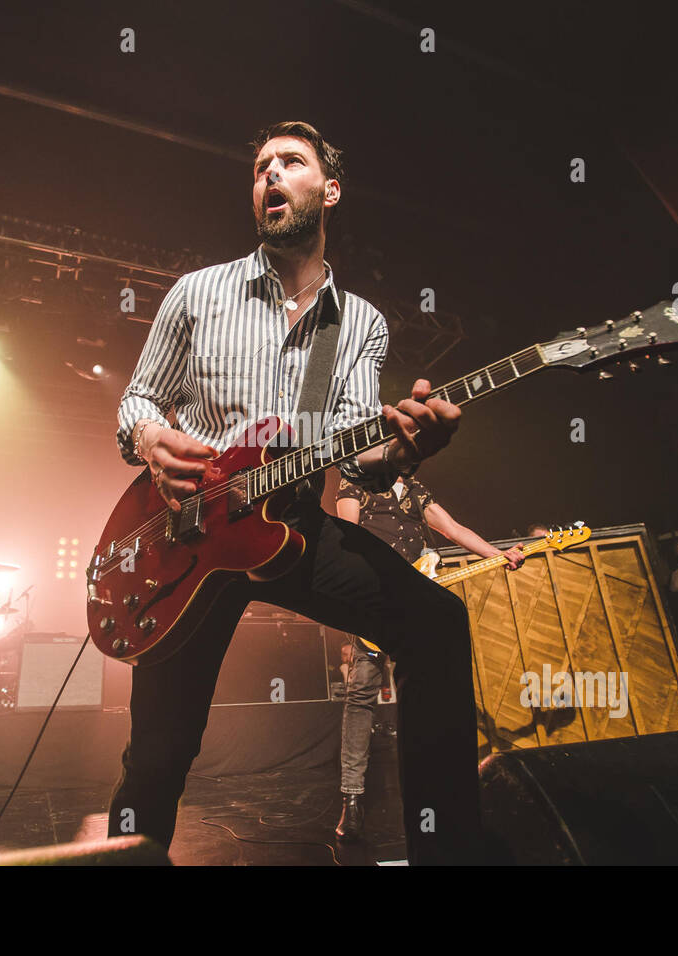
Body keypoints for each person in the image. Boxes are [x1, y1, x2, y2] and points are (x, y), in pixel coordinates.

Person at [107, 121, 486, 864]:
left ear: (330, 190)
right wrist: (152, 444)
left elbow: (360, 450)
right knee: (158, 750)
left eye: (290, 162)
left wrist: (404, 449)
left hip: (296, 528)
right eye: (259, 167)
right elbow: (137, 403)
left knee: (437, 624)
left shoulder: (361, 324)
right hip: (194, 535)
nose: (268, 175)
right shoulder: (197, 292)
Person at [331, 474, 525, 840]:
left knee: (425, 694)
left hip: (415, 602)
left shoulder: (417, 489)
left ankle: (432, 798)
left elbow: (452, 529)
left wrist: (499, 555)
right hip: (373, 599)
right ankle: (352, 800)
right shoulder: (356, 479)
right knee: (360, 699)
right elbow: (345, 538)